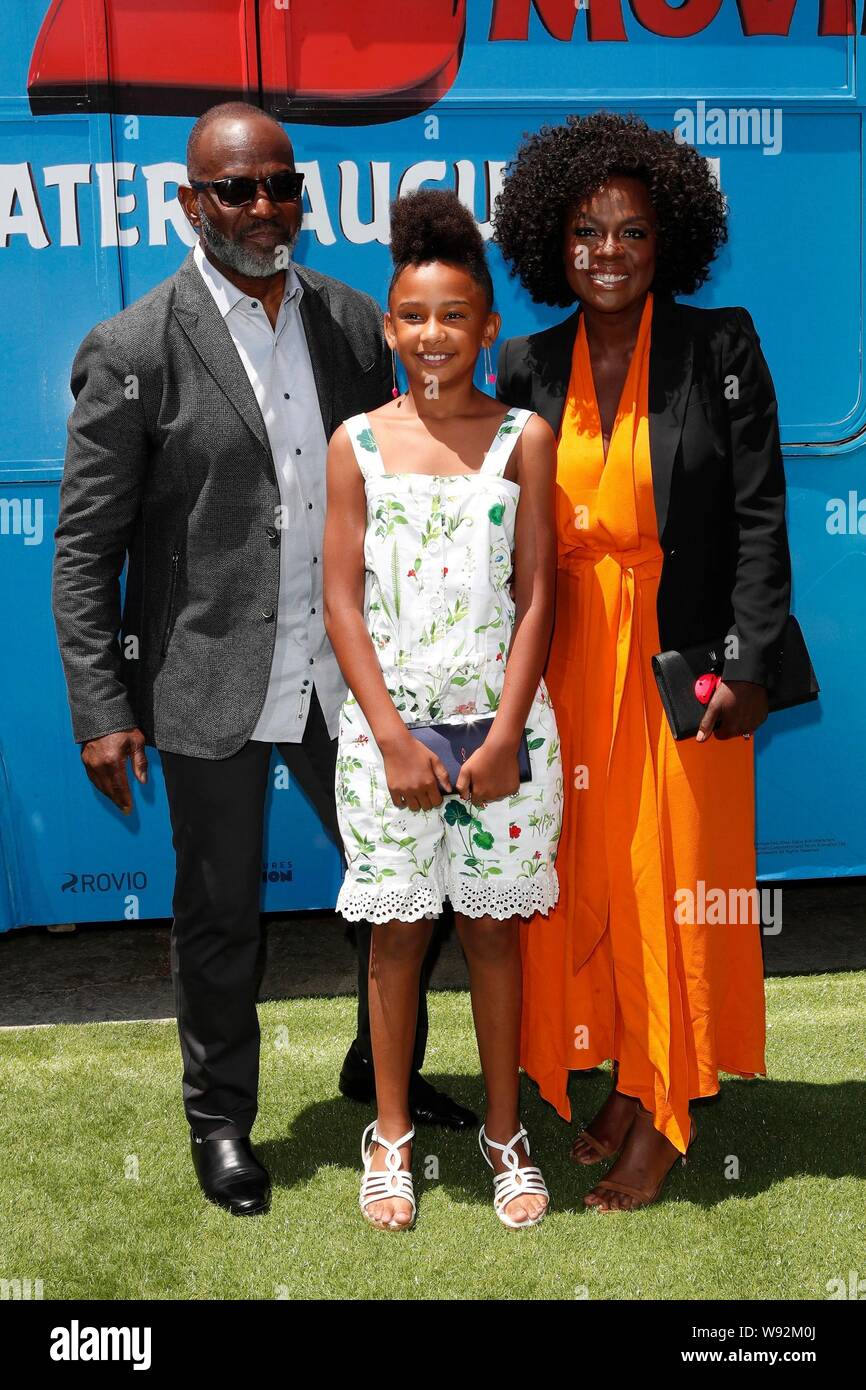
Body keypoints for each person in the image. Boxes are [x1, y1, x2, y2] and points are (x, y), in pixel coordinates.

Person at [51, 101, 471, 1221]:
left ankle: (372, 1069)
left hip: (348, 677)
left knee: (402, 890)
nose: (262, 208)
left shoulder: (346, 318)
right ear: (191, 204)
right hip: (208, 678)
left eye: (279, 185)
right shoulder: (136, 347)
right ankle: (220, 1122)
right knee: (220, 915)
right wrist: (101, 703)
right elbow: (86, 548)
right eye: (234, 190)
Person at [492, 112, 791, 1211]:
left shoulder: (720, 347)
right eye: (582, 232)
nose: (604, 252)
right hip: (566, 662)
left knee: (677, 889)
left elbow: (758, 514)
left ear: (667, 240)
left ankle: (665, 1114)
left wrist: (748, 660)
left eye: (627, 231)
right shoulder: (521, 362)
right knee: (595, 884)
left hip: (684, 665)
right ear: (549, 243)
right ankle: (620, 1071)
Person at [323, 189, 563, 1231]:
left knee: (496, 938)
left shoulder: (523, 439)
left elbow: (539, 590)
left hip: (502, 737)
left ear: (486, 326)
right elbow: (337, 599)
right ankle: (390, 1135)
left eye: (454, 314)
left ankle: (503, 1132)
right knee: (396, 942)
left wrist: (506, 731)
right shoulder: (357, 445)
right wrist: (389, 736)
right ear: (389, 324)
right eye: (413, 315)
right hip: (391, 740)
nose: (432, 335)